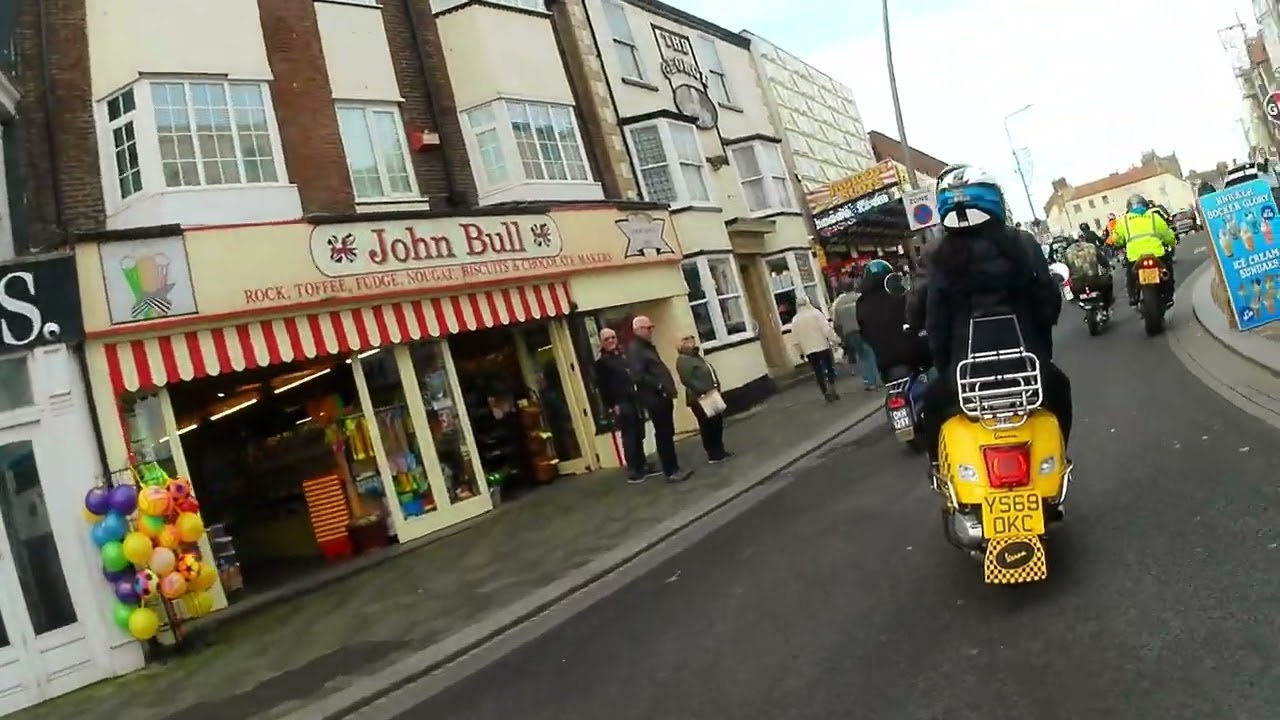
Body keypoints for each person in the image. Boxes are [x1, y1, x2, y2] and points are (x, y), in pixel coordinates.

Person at [919, 164, 1073, 462]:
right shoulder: (1023, 244)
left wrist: (946, 370)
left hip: (965, 378)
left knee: (932, 407)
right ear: (994, 201)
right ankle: (1059, 456)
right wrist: (1042, 351)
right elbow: (1048, 304)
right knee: (1060, 391)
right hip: (1028, 371)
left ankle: (938, 467)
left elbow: (936, 324)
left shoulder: (939, 256)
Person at [627, 316, 690, 483]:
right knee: (663, 434)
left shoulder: (646, 347)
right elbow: (638, 375)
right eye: (648, 328)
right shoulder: (636, 349)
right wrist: (660, 386)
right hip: (655, 399)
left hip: (662, 397)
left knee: (667, 432)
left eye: (652, 327)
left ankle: (674, 467)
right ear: (639, 329)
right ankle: (671, 471)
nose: (651, 331)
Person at [594, 328, 655, 483]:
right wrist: (612, 404)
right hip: (621, 402)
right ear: (601, 342)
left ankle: (642, 464)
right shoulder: (602, 362)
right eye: (607, 339)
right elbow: (602, 387)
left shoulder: (622, 355)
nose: (611, 341)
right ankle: (633, 469)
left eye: (613, 337)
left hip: (634, 398)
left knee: (639, 432)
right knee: (629, 435)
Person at [855, 259, 920, 381]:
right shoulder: (899, 295)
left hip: (883, 361)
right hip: (911, 353)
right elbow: (914, 317)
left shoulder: (861, 302)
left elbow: (864, 333)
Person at [1110, 193, 1177, 307]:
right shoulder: (1154, 217)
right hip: (1156, 253)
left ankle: (1133, 297)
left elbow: (1117, 238)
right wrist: (1172, 242)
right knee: (1167, 271)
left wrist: (1117, 244)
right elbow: (1167, 235)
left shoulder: (1123, 220)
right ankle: (1168, 296)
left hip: (1134, 256)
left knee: (1130, 276)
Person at [675, 333, 731, 463]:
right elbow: (687, 379)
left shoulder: (695, 356)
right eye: (686, 339)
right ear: (681, 344)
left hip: (710, 394)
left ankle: (720, 450)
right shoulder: (683, 360)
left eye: (692, 337)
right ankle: (713, 453)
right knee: (708, 425)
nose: (691, 340)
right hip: (700, 398)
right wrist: (704, 390)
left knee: (717, 423)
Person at [789, 293, 842, 401]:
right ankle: (832, 388)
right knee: (829, 368)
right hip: (822, 346)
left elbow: (795, 340)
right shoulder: (816, 314)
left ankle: (825, 392)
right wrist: (836, 339)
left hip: (809, 350)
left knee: (818, 371)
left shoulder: (795, 320)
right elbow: (826, 329)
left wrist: (800, 352)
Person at [830, 282, 878, 389]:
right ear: (854, 287)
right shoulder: (860, 297)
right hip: (863, 329)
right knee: (870, 354)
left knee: (861, 355)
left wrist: (841, 336)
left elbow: (837, 323)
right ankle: (875, 379)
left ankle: (868, 380)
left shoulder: (838, 304)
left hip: (849, 333)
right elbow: (869, 312)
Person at [1062, 235, 1114, 305]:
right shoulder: (1091, 247)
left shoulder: (1067, 252)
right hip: (1094, 282)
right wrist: (1107, 267)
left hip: (1077, 286)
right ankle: (1107, 301)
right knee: (1109, 277)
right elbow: (1103, 261)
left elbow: (1065, 270)